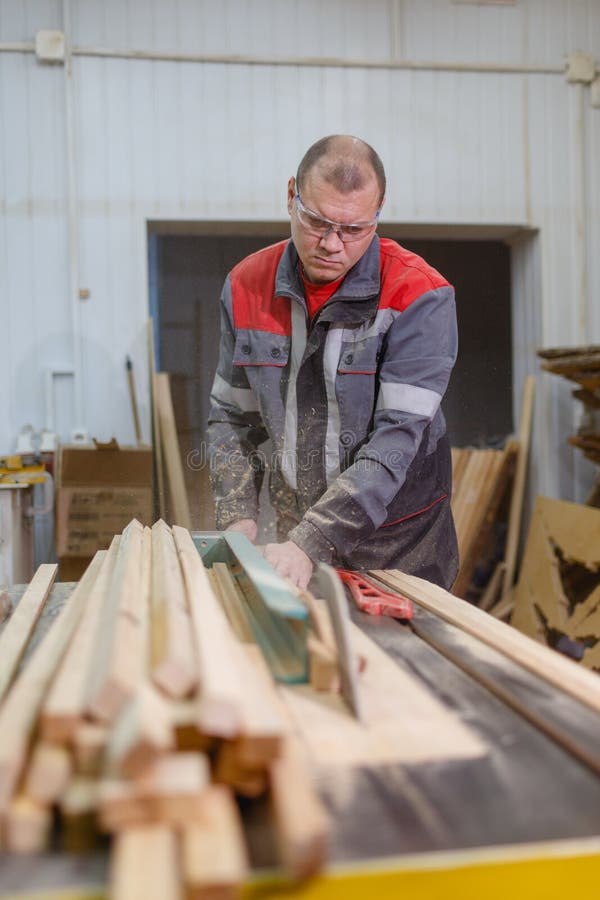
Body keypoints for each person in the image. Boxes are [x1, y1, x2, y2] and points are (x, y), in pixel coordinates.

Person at [207, 134, 458, 590]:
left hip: (398, 547)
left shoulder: (420, 295)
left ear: (378, 213)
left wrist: (312, 541)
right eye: (317, 221)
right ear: (291, 196)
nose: (331, 244)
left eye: (353, 229)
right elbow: (231, 417)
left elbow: (396, 441)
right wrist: (238, 515)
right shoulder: (246, 286)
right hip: (297, 529)